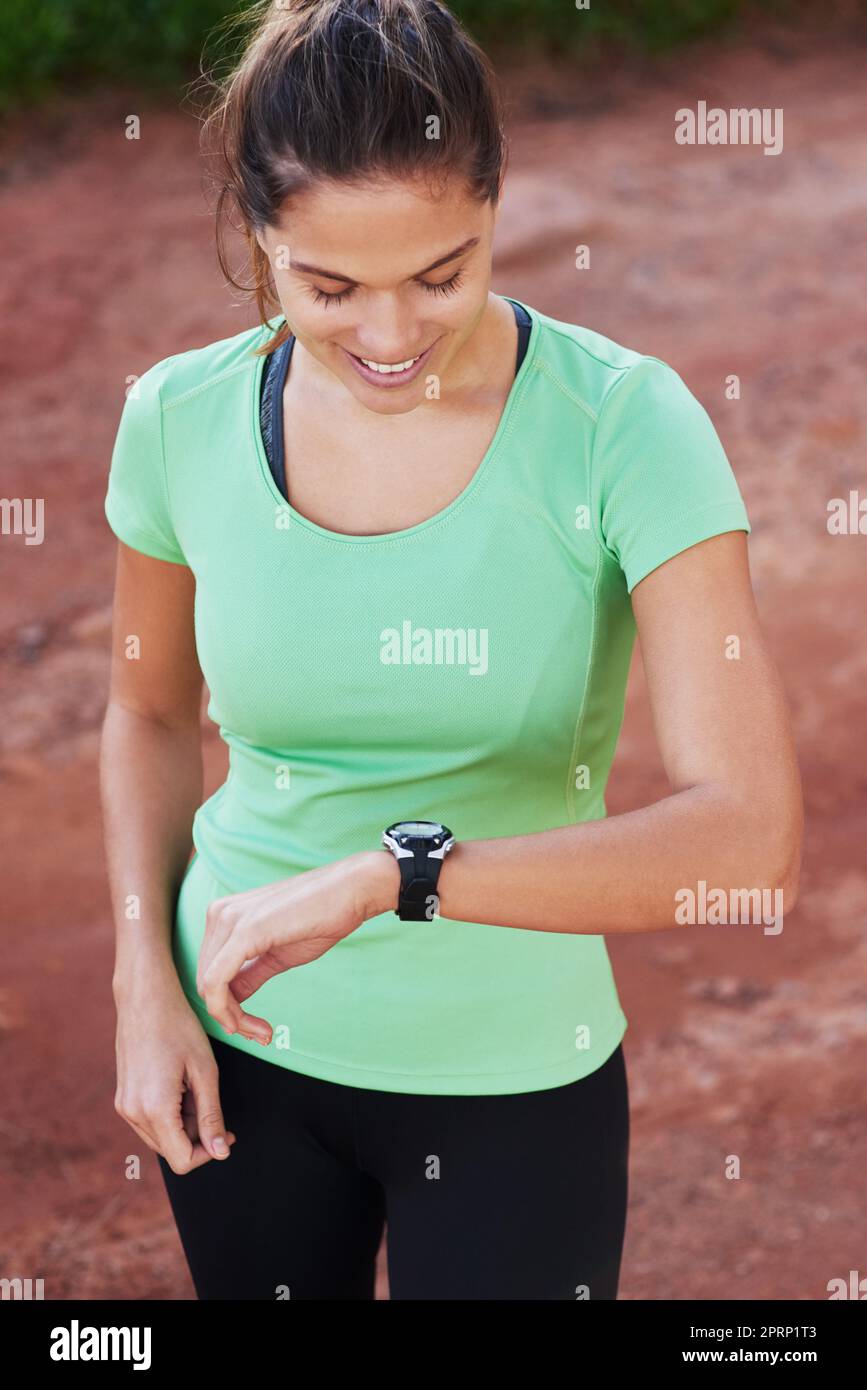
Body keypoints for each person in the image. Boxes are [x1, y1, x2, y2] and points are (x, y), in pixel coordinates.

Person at [101, 0, 803, 1301]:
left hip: (513, 1071)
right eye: (329, 288)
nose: (389, 337)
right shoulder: (175, 420)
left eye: (443, 271)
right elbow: (145, 711)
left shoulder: (623, 424)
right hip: (242, 1049)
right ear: (258, 236)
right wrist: (144, 978)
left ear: (496, 202)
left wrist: (393, 875)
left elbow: (748, 843)